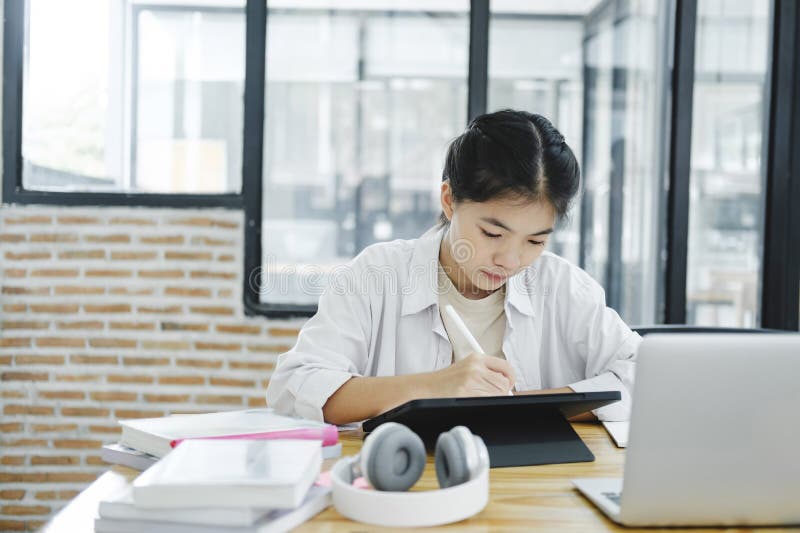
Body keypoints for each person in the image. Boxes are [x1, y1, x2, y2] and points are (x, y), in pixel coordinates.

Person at [266, 109, 640, 425]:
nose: (510, 261)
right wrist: (437, 388)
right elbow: (294, 387)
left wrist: (527, 408)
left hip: (529, 491)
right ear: (449, 200)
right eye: (492, 233)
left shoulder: (563, 287)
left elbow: (645, 376)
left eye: (536, 241)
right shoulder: (377, 275)